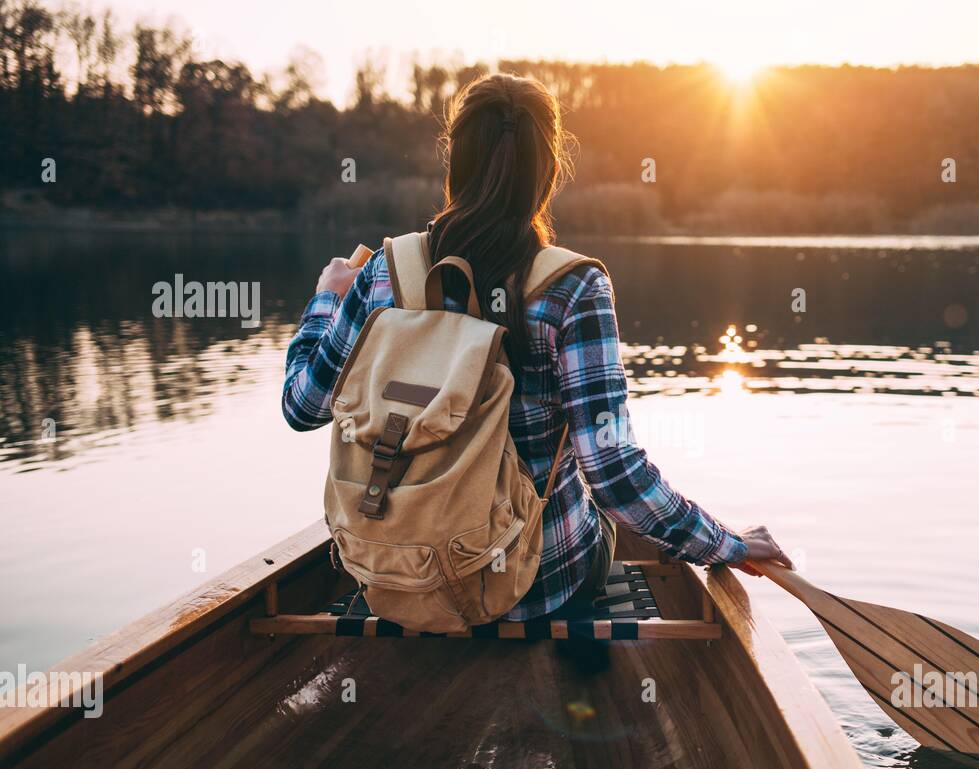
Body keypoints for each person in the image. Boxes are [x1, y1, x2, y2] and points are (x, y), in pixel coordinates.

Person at [282, 72, 790, 631]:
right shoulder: (573, 288)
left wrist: (327, 302)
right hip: (536, 587)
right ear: (548, 170)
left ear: (455, 162)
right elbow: (615, 476)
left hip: (397, 573)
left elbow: (302, 406)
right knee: (595, 509)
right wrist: (728, 545)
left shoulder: (384, 272)